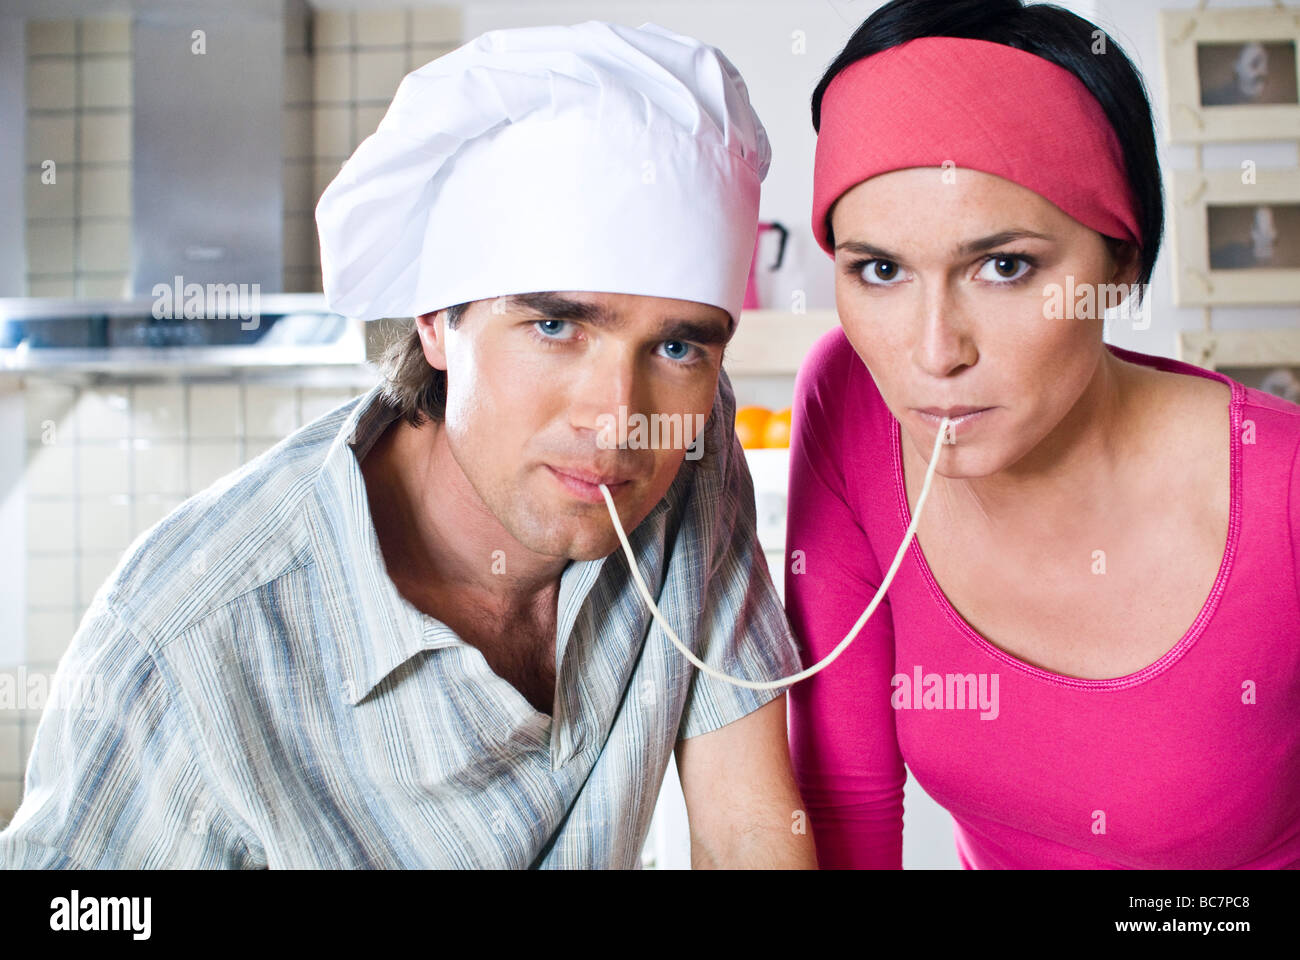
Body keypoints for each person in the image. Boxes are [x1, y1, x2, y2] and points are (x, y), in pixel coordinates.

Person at [0, 21, 814, 869]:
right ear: (435, 317)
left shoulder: (685, 452)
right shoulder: (187, 641)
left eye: (678, 346)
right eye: (554, 324)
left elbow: (750, 831)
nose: (618, 421)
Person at [786, 0, 1300, 869]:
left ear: (1121, 262)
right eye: (880, 271)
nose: (933, 353)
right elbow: (844, 800)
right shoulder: (851, 400)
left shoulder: (1283, 496)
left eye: (1004, 266)